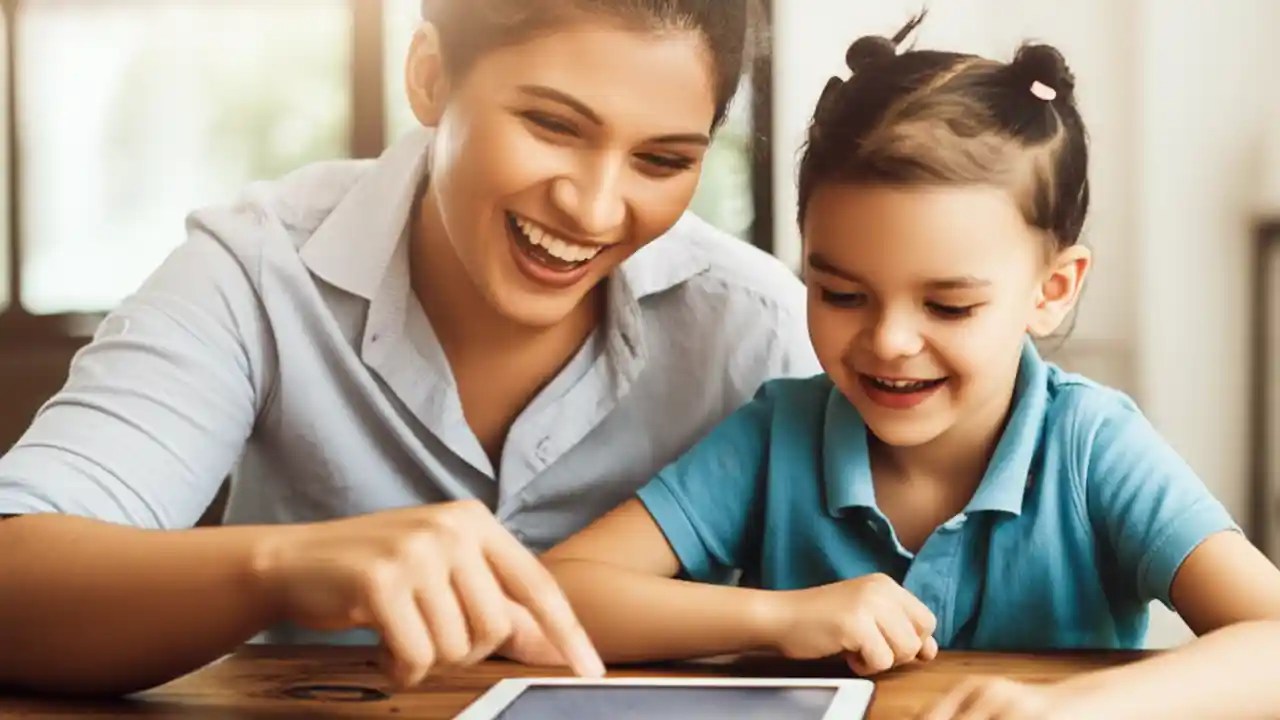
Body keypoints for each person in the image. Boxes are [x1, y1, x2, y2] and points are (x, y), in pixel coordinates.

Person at [0, 0, 818, 696]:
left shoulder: (756, 323)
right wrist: (284, 567)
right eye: (551, 125)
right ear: (429, 77)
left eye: (662, 160)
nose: (596, 210)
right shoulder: (259, 267)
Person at [544, 16, 1280, 719]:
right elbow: (558, 595)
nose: (890, 341)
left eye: (949, 306)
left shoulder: (1094, 447)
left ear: (1052, 290)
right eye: (842, 294)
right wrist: (780, 618)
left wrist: (1070, 709)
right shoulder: (777, 436)